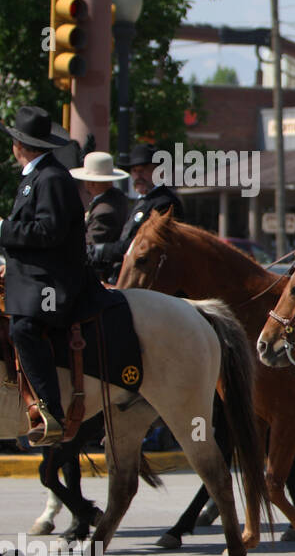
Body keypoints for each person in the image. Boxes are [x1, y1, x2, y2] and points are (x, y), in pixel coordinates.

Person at [0, 107, 96, 445]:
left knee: (23, 327)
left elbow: (48, 232)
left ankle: (49, 411)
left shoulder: (51, 178)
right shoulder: (37, 176)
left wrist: (3, 229)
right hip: (35, 273)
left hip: (53, 281)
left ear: (20, 145)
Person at [88, 143, 185, 282]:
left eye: (144, 170)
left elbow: (143, 245)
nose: (138, 176)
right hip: (127, 273)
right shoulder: (143, 200)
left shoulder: (165, 202)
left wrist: (102, 251)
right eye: (134, 170)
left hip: (147, 279)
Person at [71, 151, 130, 282]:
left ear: (92, 183)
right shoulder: (116, 198)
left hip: (99, 276)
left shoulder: (104, 211)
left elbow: (89, 248)